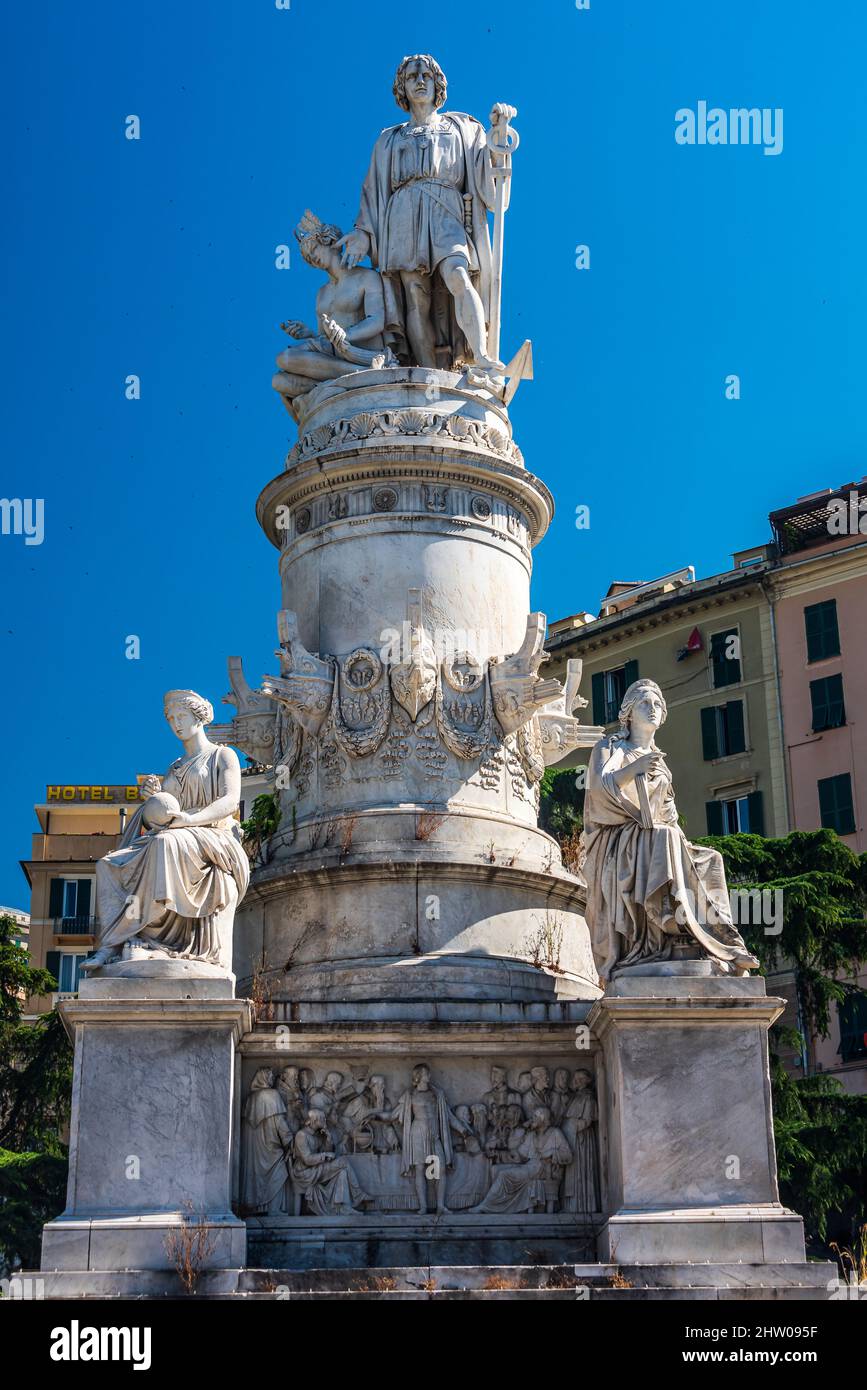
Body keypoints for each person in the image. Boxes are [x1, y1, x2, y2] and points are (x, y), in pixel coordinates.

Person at [339, 54, 511, 373]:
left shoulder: (463, 127)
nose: (420, 81)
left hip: (447, 210)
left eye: (426, 76)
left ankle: (482, 355)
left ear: (437, 85)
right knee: (415, 299)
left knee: (459, 275)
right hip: (402, 215)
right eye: (411, 77)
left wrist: (498, 135)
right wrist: (363, 233)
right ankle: (428, 373)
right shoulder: (388, 139)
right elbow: (373, 191)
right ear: (401, 88)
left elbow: (486, 172)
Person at [582, 678, 760, 981]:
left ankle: (720, 942)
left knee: (711, 858)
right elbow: (597, 794)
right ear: (628, 712)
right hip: (618, 837)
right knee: (664, 837)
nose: (652, 709)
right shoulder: (608, 748)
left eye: (657, 704)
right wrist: (630, 772)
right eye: (644, 703)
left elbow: (669, 815)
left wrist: (683, 849)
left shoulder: (661, 764)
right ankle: (665, 931)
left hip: (657, 836)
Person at [82, 690, 249, 972]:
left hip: (212, 834)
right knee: (108, 865)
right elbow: (162, 814)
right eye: (171, 719)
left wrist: (187, 819)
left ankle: (147, 931)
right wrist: (152, 799)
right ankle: (113, 943)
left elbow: (230, 801)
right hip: (176, 834)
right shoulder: (173, 769)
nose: (176, 724)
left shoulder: (222, 755)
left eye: (181, 716)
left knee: (165, 844)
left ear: (199, 717)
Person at [272, 210, 397, 420]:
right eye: (307, 257)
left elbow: (376, 321)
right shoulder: (321, 294)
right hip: (331, 349)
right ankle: (357, 376)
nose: (312, 258)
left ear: (329, 241)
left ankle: (357, 372)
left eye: (313, 249)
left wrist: (345, 336)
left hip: (358, 348)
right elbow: (323, 336)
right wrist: (306, 334)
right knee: (279, 381)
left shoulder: (366, 277)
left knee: (285, 359)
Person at [471, 1107, 571, 1215]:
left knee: (504, 1174)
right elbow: (519, 1155)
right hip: (529, 1167)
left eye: (535, 1117)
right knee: (496, 1169)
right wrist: (498, 1154)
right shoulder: (532, 1135)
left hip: (543, 1170)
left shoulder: (555, 1133)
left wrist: (552, 1153)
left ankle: (485, 1206)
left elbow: (568, 1155)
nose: (532, 1119)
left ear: (543, 1119)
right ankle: (496, 1207)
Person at [290, 1110, 368, 1216]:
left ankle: (343, 1207)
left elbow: (328, 1151)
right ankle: (358, 1194)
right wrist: (324, 1155)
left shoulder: (318, 1134)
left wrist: (328, 1138)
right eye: (322, 1119)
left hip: (317, 1168)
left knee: (343, 1172)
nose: (325, 1121)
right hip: (305, 1172)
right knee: (343, 1161)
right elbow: (307, 1159)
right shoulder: (302, 1135)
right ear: (314, 1120)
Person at [240, 1069, 292, 1216]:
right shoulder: (272, 1095)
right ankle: (274, 1210)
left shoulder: (250, 1099)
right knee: (279, 1171)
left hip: (254, 1149)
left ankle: (258, 1208)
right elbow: (280, 1123)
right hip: (270, 1146)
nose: (271, 1080)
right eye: (269, 1077)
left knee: (256, 1178)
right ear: (263, 1078)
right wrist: (290, 1141)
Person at [561, 1071, 601, 1213]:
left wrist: (571, 1125)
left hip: (581, 1139)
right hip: (571, 1137)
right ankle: (571, 1206)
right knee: (571, 1171)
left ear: (586, 1081)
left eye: (579, 1079)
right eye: (575, 1078)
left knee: (580, 1171)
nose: (575, 1081)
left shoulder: (587, 1097)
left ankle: (582, 1206)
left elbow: (587, 1120)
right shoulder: (575, 1096)